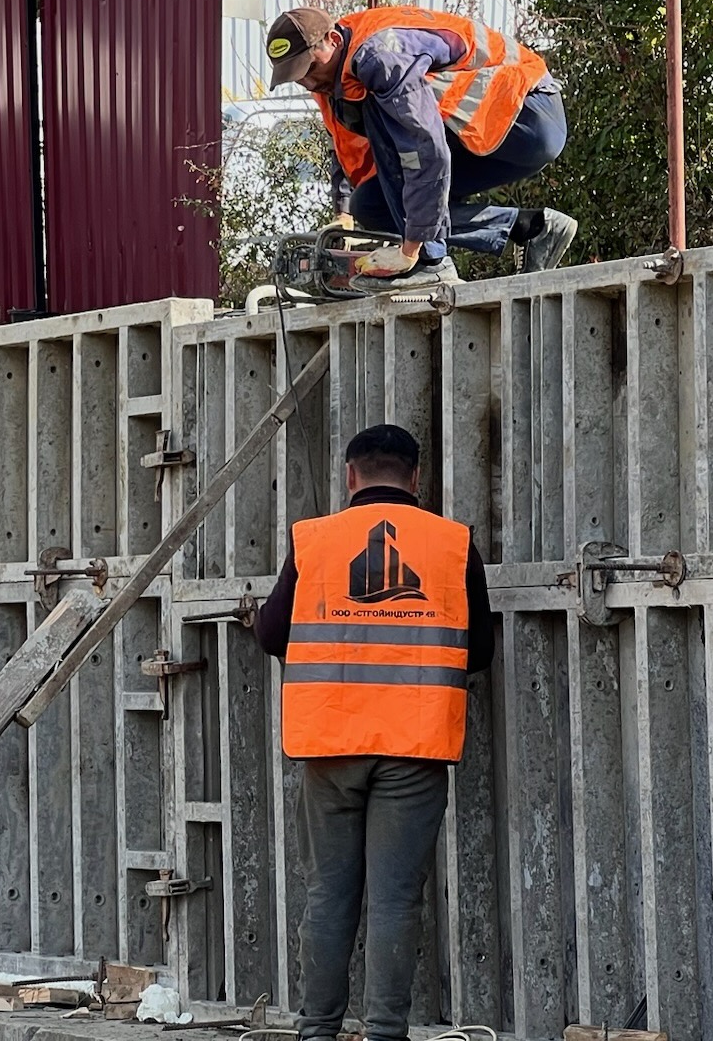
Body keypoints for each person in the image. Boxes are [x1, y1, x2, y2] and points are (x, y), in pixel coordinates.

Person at [254, 424, 492, 1041]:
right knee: (394, 899)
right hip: (414, 748)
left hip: (329, 746)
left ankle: (317, 1031)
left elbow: (270, 634)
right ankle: (386, 1032)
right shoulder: (451, 544)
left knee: (328, 894)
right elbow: (481, 650)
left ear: (350, 475)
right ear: (416, 478)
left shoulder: (313, 541)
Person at [267, 3, 576, 284]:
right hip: (489, 127)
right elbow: (344, 142)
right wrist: (344, 213)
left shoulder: (378, 56)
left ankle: (431, 264)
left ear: (332, 40)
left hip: (528, 111)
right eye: (296, 75)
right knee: (372, 205)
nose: (306, 81)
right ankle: (532, 227)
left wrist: (411, 250)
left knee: (383, 115)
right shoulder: (332, 75)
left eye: (308, 68)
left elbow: (424, 149)